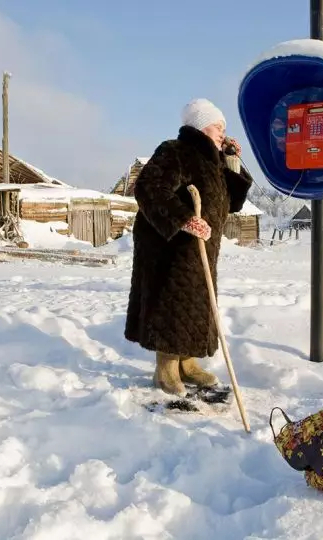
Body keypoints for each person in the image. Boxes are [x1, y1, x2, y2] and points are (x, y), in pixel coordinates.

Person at [124, 98, 254, 396]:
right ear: (199, 124)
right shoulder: (175, 151)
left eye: (224, 127)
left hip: (201, 247)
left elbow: (233, 203)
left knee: (197, 304)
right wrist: (183, 219)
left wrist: (232, 161)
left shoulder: (215, 160)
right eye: (217, 125)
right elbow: (149, 188)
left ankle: (188, 363)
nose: (223, 131)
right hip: (169, 246)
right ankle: (166, 370)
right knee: (173, 302)